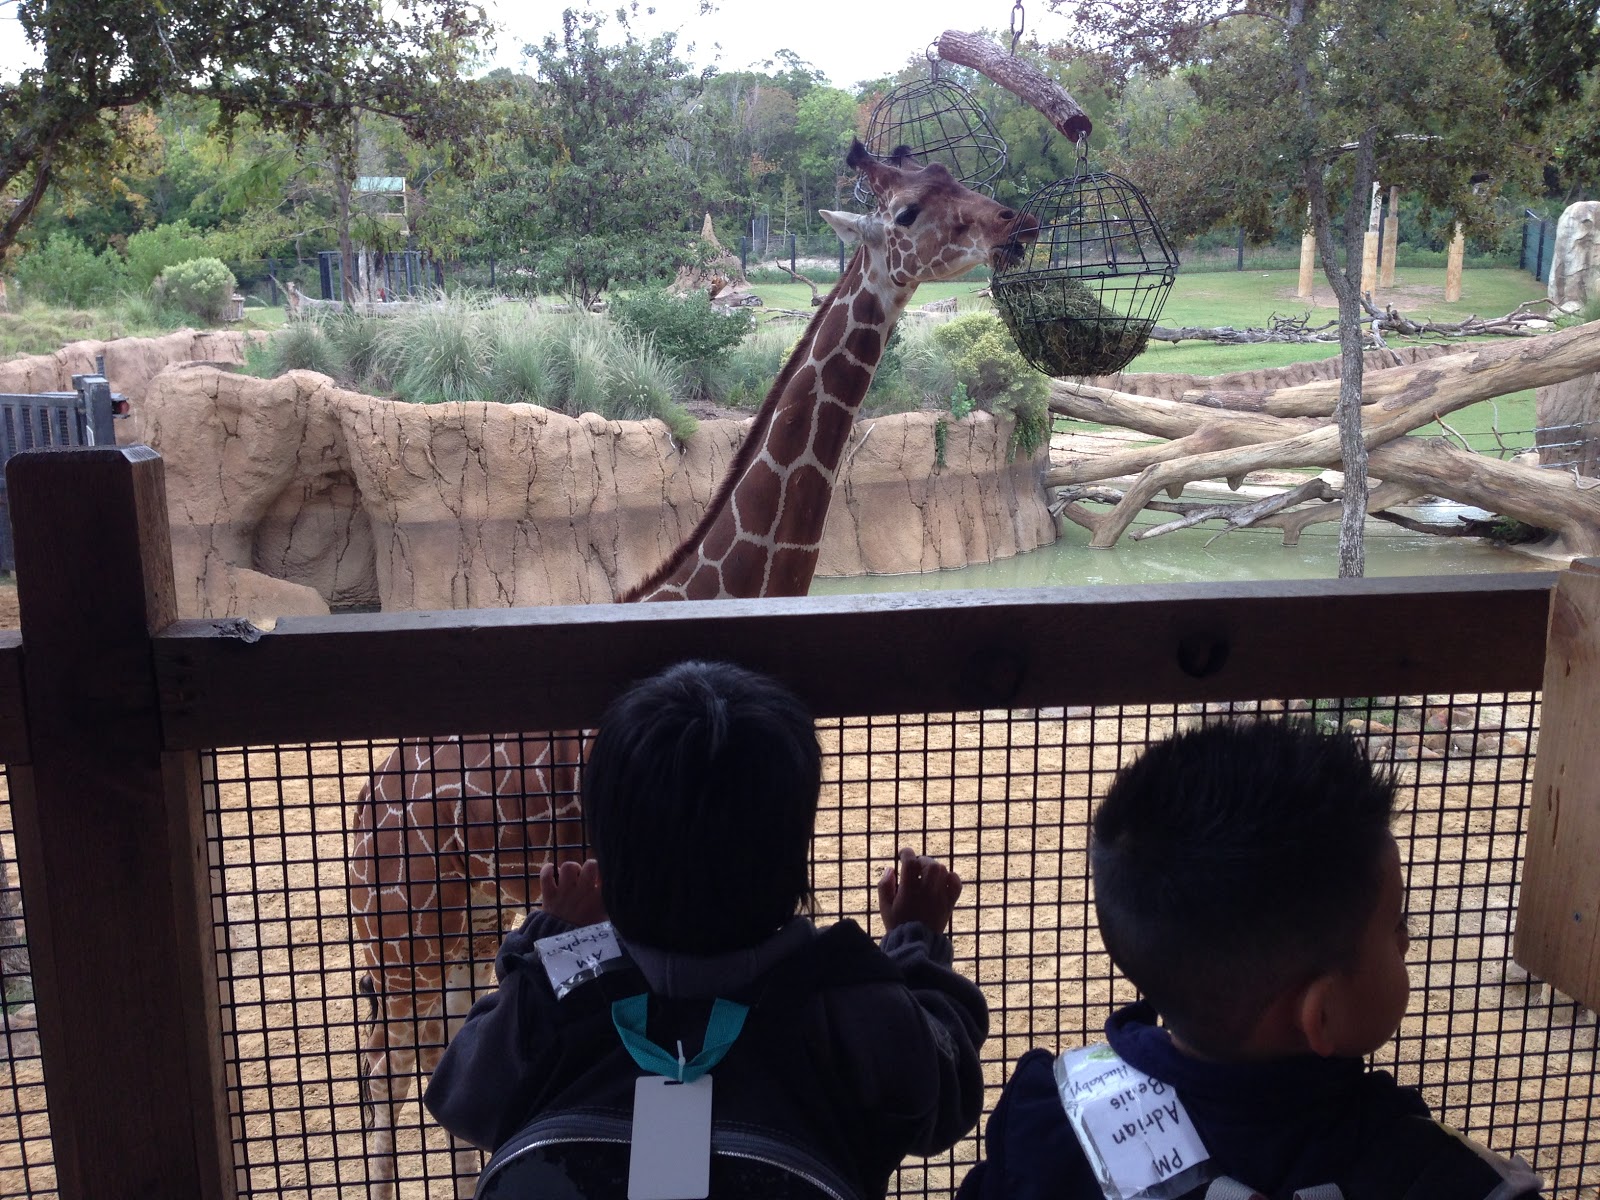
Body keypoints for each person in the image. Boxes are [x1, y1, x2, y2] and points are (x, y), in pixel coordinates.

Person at [424, 659, 988, 1200]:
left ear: (609, 850)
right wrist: (915, 941)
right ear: (791, 854)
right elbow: (946, 1094)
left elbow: (461, 1096)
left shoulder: (564, 990)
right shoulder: (847, 1001)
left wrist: (560, 937)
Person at [958, 719, 1542, 1200]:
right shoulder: (1442, 1179)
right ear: (1319, 1015)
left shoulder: (1049, 1120)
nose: (1406, 942)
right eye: (1396, 926)